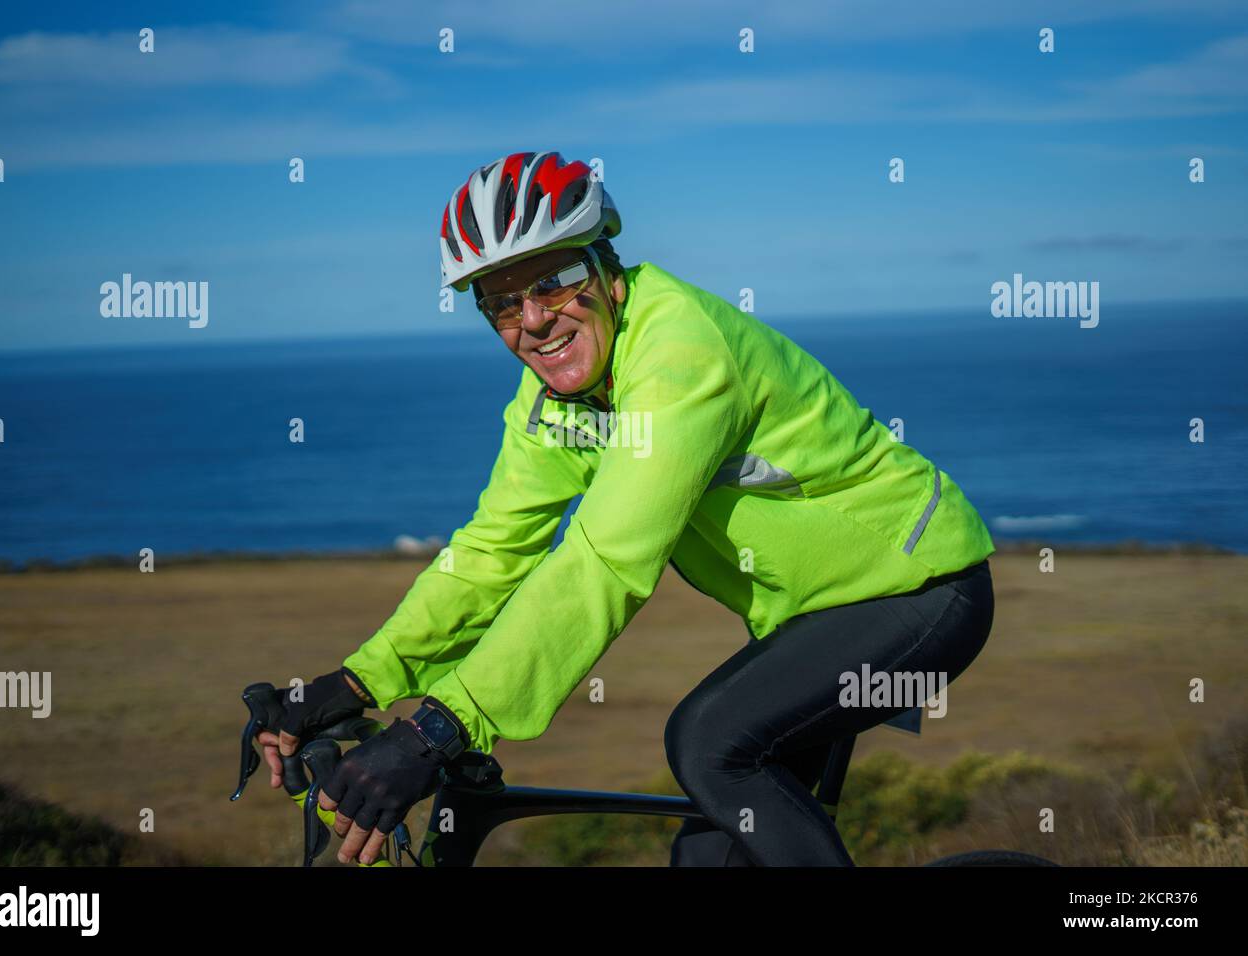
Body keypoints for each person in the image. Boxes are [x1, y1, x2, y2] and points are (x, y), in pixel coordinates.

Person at [255, 150, 996, 867]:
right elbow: (491, 552)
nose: (533, 320)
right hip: (804, 619)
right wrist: (357, 682)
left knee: (709, 742)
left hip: (917, 588)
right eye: (502, 303)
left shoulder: (680, 354)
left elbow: (606, 561)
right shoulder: (553, 400)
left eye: (554, 283)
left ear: (607, 272)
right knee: (711, 850)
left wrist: (437, 731)